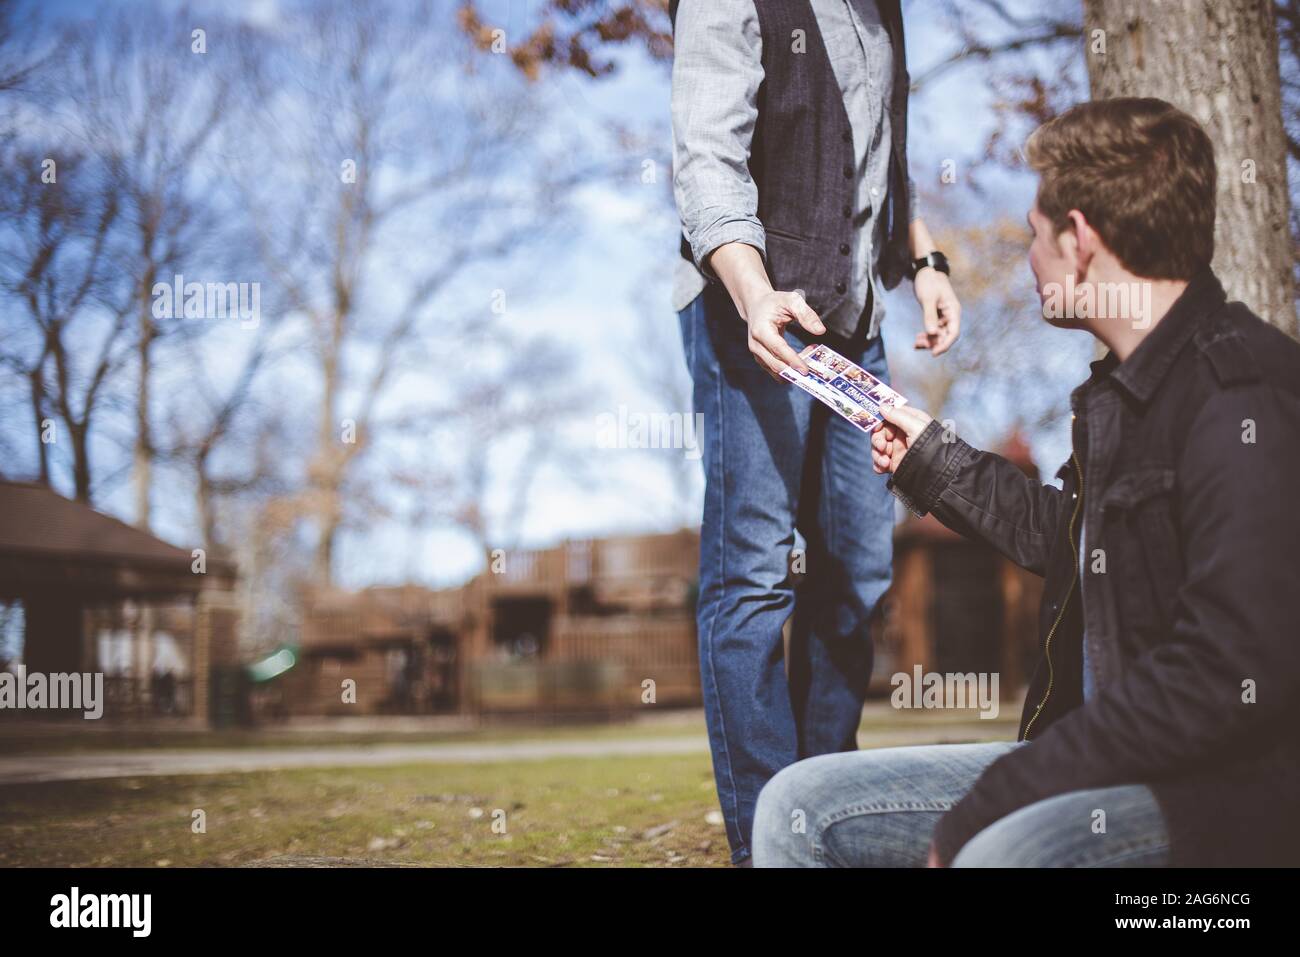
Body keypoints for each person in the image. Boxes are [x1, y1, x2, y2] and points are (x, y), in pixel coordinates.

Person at [752, 97, 1300, 868]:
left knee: (999, 852)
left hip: (1212, 801)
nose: (1028, 257)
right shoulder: (1121, 395)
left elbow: (1226, 669)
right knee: (800, 806)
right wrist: (928, 455)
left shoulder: (1241, 395)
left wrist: (997, 800)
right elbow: (1066, 535)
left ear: (1079, 240)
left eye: (1034, 237)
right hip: (1098, 759)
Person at [671, 0, 962, 865]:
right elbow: (705, 157)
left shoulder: (884, 13)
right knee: (753, 572)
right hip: (755, 311)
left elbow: (878, 161)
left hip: (855, 322)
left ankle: (826, 807)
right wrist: (754, 291)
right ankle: (770, 842)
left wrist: (925, 261)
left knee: (859, 568)